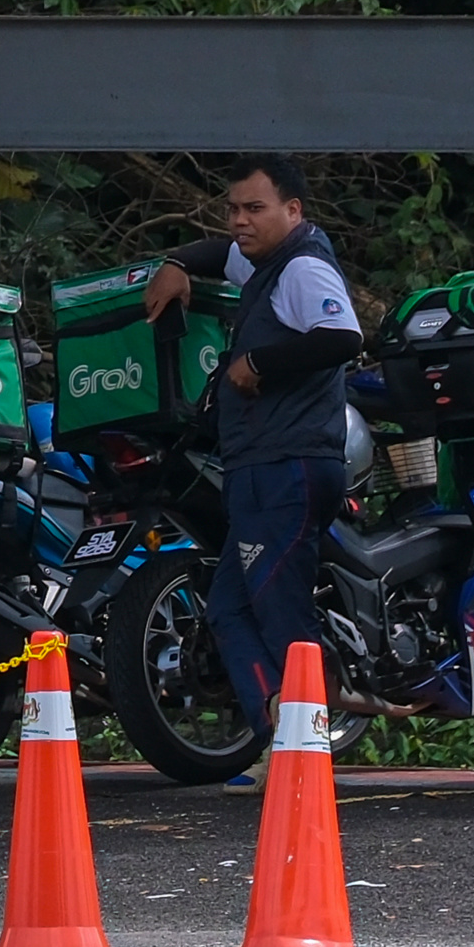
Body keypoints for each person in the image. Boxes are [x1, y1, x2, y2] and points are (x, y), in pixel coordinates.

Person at [142, 156, 364, 795]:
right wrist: (177, 263)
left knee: (280, 610)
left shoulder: (302, 267)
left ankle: (305, 752)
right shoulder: (264, 263)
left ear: (293, 211)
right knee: (231, 609)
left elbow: (342, 337)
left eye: (255, 209)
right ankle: (279, 732)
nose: (239, 221)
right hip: (255, 464)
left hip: (288, 464)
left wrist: (259, 362)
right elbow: (220, 252)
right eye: (233, 208)